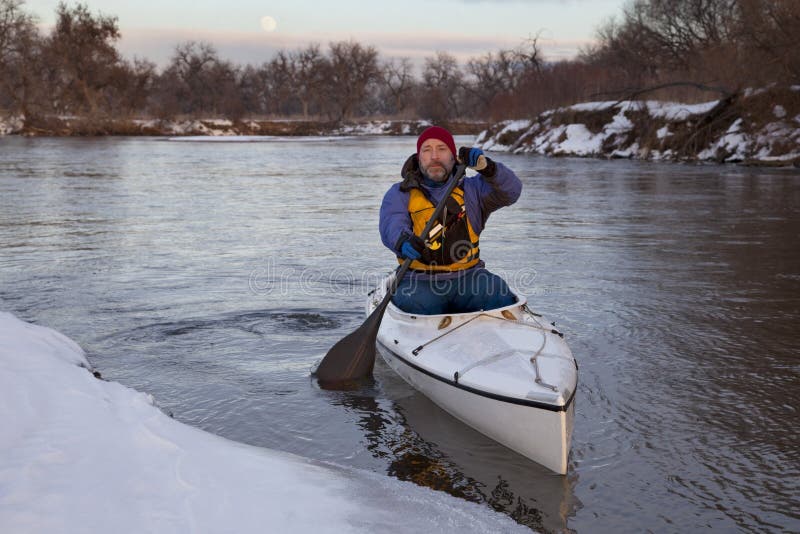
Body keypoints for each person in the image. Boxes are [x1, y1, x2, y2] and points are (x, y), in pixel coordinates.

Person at [379, 125, 523, 315]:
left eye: (441, 149)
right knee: (413, 304)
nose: (434, 156)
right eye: (427, 150)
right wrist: (402, 240)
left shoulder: (474, 189)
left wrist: (488, 168)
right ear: (418, 157)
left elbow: (512, 191)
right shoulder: (400, 193)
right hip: (419, 281)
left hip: (470, 278)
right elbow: (392, 222)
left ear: (453, 156)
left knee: (500, 294)